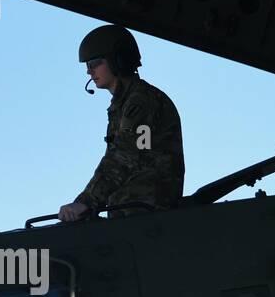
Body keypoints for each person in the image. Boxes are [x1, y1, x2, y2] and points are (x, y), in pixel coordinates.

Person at [58, 24, 184, 221]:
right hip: (132, 208)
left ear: (118, 60)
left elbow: (127, 156)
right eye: (87, 65)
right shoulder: (123, 104)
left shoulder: (143, 101)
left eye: (94, 63)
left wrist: (86, 202)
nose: (89, 71)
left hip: (147, 209)